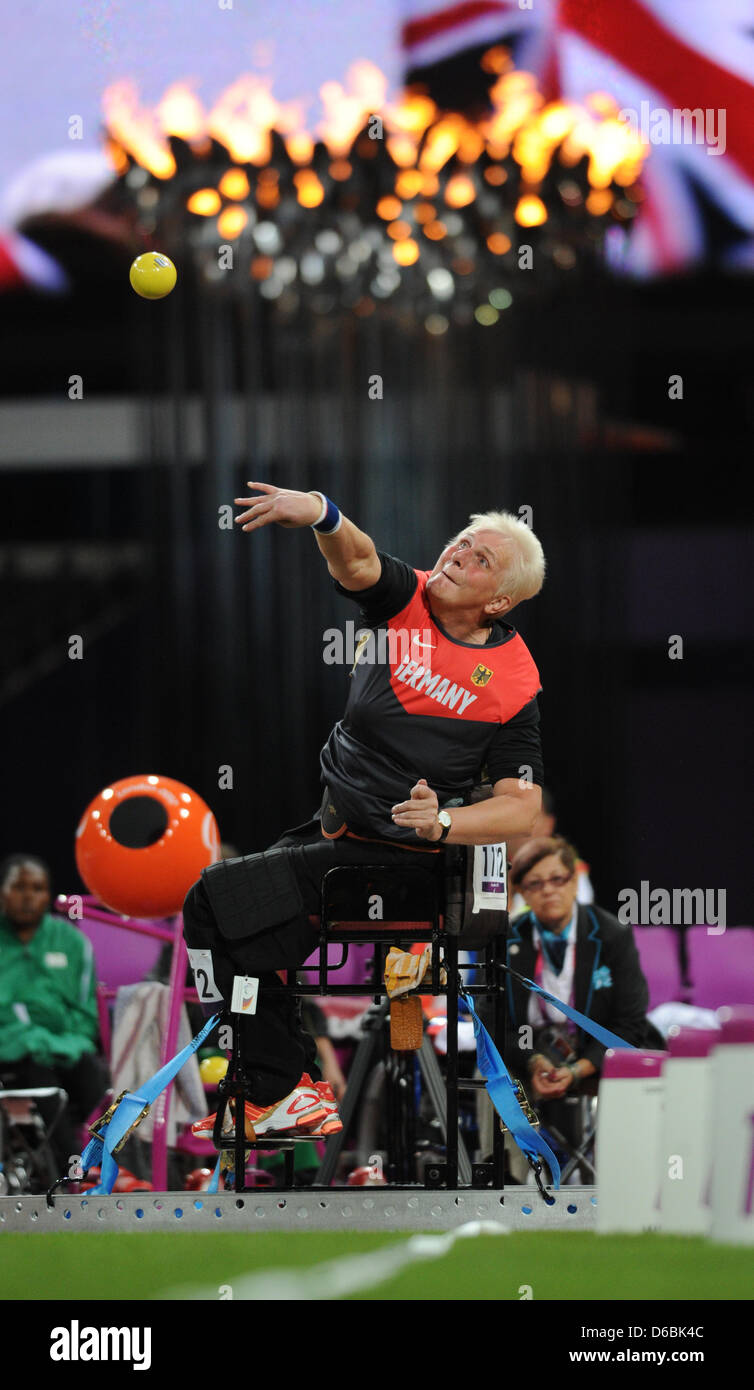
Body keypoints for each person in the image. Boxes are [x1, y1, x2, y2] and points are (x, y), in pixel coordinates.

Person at [183, 482, 546, 1141]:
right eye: (461, 540)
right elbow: (358, 562)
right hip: (338, 833)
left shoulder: (514, 682)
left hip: (400, 863)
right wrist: (324, 514)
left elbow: (521, 809)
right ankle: (287, 1089)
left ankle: (279, 1088)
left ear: (498, 600)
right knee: (234, 919)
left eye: (481, 557)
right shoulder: (405, 601)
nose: (459, 551)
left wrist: (443, 824)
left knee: (215, 900)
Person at [477, 835, 663, 1174]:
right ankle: (515, 1183)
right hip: (533, 1048)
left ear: (574, 882)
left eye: (557, 879)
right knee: (491, 1074)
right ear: (522, 893)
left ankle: (626, 1181)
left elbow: (629, 1023)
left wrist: (578, 1070)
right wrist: (533, 1062)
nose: (548, 890)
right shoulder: (505, 940)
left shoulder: (611, 935)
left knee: (635, 1069)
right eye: (535, 884)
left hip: (598, 1051)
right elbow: (493, 1020)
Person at [0, 853, 107, 1174]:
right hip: (15, 1055)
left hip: (65, 1051)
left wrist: (57, 1045)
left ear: (48, 894)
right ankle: (74, 1172)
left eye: (37, 888)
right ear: (3, 892)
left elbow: (86, 1018)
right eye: (19, 887)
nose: (28, 896)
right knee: (41, 1080)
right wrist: (28, 1041)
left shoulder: (73, 943)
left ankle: (117, 1168)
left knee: (96, 1077)